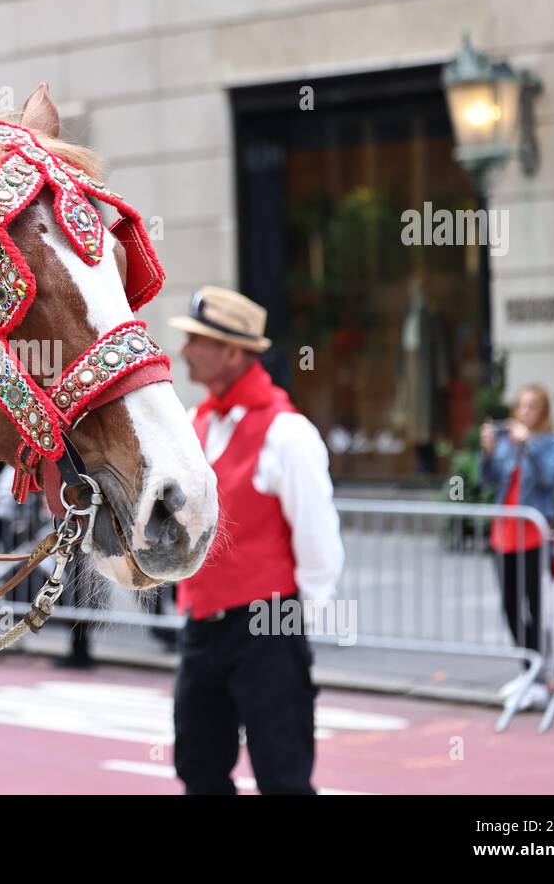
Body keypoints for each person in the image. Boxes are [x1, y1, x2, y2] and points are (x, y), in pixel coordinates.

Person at [168, 286, 344, 795]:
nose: (184, 352)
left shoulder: (288, 433)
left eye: (197, 340)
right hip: (201, 624)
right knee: (198, 767)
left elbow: (317, 536)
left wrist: (297, 618)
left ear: (233, 351)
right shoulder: (190, 423)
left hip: (268, 623)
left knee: (283, 775)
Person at [480, 385, 554, 708]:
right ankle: (528, 671)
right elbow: (487, 480)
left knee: (536, 609)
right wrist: (487, 451)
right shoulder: (506, 443)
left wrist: (528, 444)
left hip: (534, 534)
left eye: (532, 407)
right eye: (520, 406)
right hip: (504, 534)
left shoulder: (552, 444)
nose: (524, 412)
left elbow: (548, 479)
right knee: (511, 607)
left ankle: (541, 677)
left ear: (543, 412)